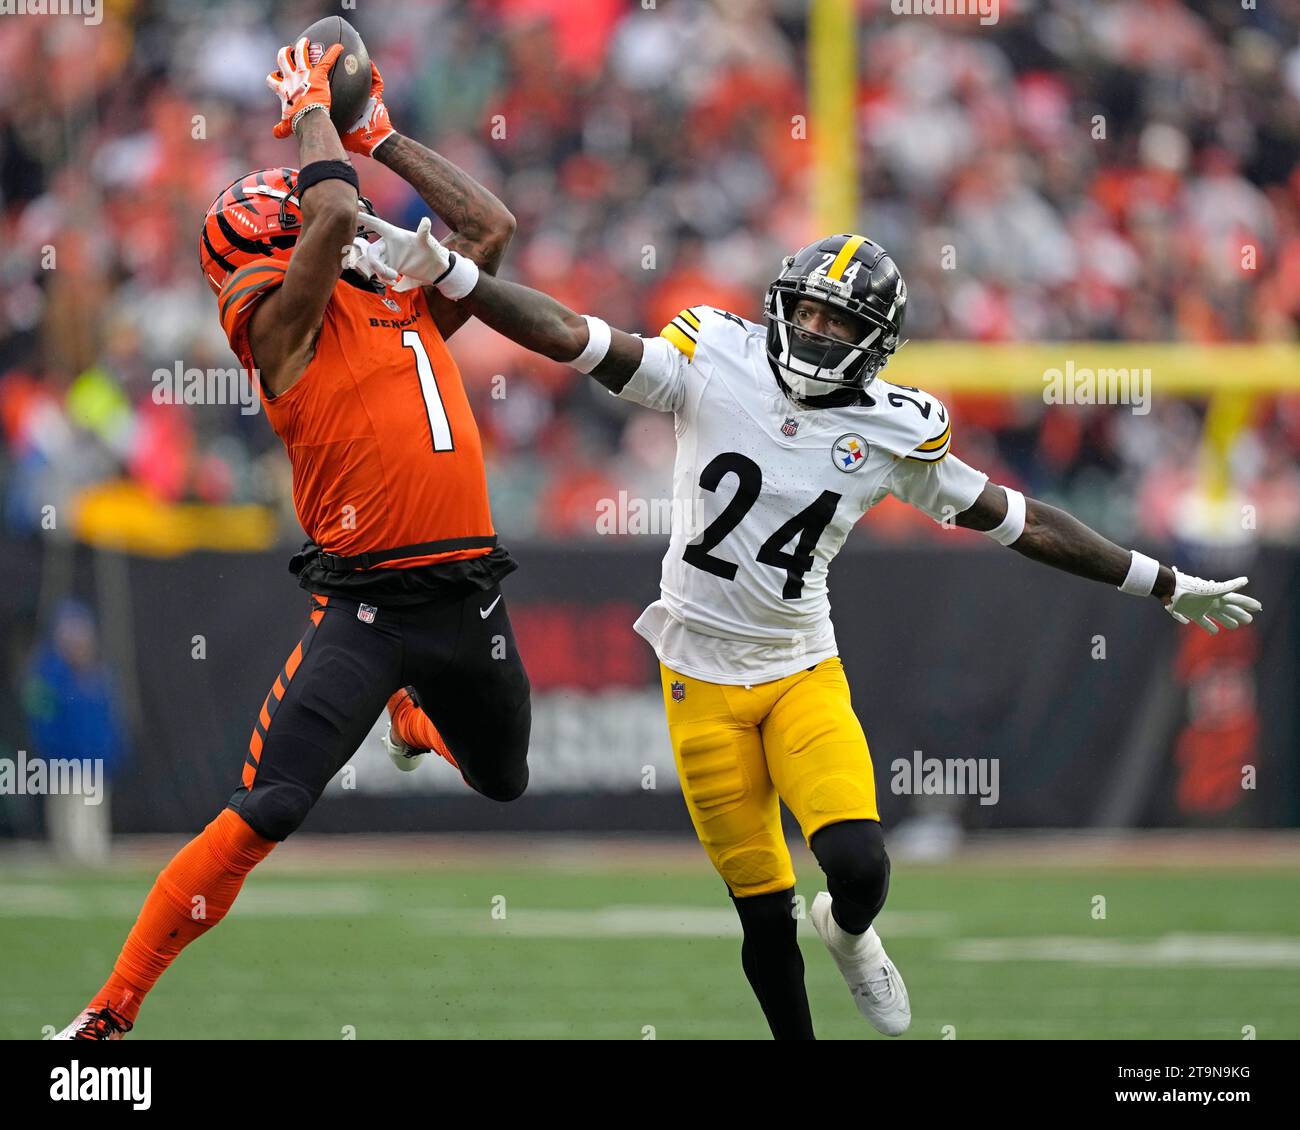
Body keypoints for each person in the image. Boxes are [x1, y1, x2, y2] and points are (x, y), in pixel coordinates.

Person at [356, 223, 1263, 1039]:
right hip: (698, 677)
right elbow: (574, 337)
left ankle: (853, 932)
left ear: (876, 344)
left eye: (841, 324)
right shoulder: (716, 356)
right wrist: (454, 276)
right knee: (762, 916)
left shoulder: (896, 427)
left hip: (799, 666)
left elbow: (1023, 521)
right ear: (782, 307)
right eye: (811, 314)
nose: (820, 335)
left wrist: (1164, 583)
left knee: (860, 866)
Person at [54, 40, 530, 1040]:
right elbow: (329, 210)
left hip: (470, 597)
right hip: (369, 607)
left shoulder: (395, 300)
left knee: (503, 776)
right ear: (270, 247)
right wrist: (313, 104)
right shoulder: (285, 334)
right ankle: (110, 1008)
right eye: (314, 223)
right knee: (266, 806)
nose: (349, 232)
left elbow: (489, 227)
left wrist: (379, 134)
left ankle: (412, 716)